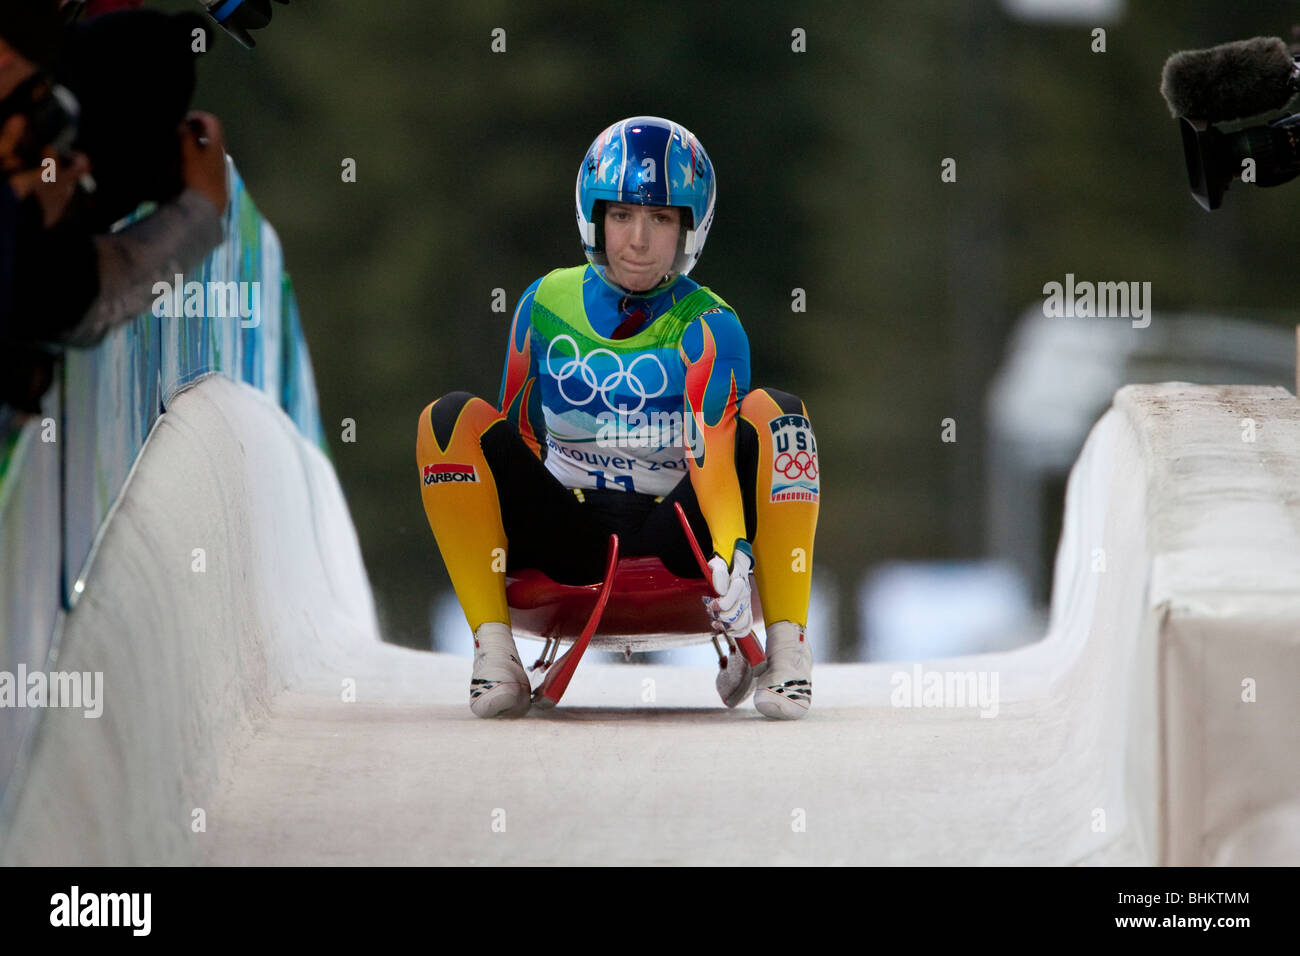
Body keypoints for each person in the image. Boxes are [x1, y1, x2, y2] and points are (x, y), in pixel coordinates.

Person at [417, 116, 820, 719]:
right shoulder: (542, 302)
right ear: (594, 218)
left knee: (780, 414)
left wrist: (733, 551)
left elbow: (713, 450)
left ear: (689, 228)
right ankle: (493, 651)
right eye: (622, 216)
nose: (638, 240)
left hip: (676, 533)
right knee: (446, 420)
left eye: (660, 219)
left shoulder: (711, 322)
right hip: (569, 531)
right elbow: (518, 437)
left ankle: (787, 652)